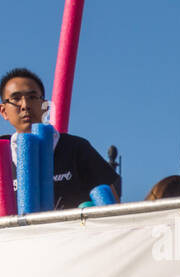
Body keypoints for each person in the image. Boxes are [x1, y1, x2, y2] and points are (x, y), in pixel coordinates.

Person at [1, 67, 119, 208]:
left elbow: (113, 206)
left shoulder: (75, 148)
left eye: (32, 97)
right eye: (16, 98)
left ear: (45, 107)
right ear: (4, 111)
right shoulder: (3, 156)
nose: (25, 105)